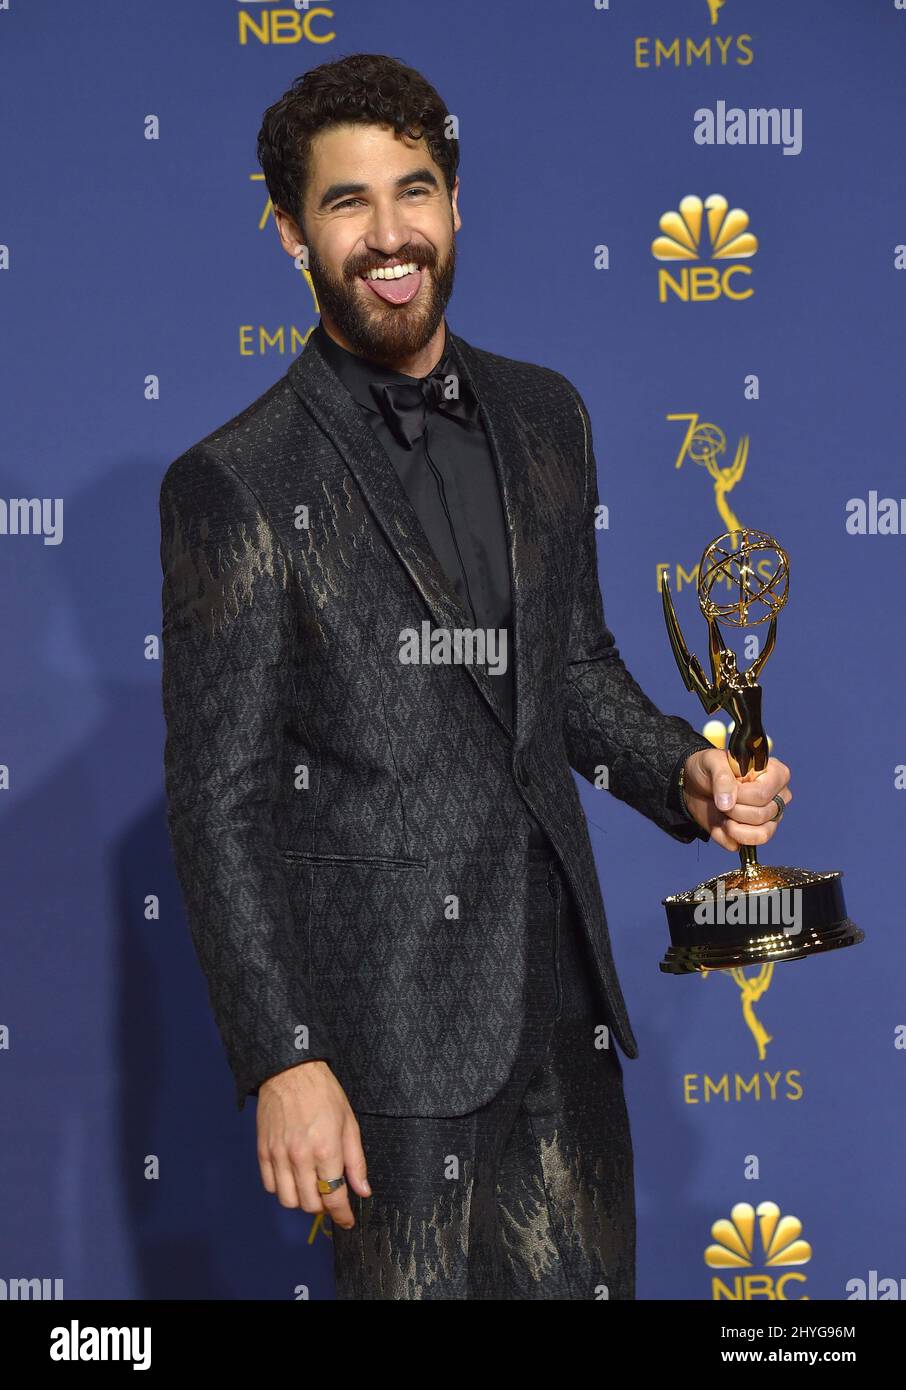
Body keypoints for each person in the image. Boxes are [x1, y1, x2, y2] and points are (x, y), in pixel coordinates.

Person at [159, 53, 792, 1300]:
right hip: (385, 1052)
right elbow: (220, 800)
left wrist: (688, 775)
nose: (391, 235)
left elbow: (573, 672)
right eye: (348, 203)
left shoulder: (547, 415)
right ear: (291, 234)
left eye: (416, 190)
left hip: (563, 1012)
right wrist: (283, 1059)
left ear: (454, 203)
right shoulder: (236, 480)